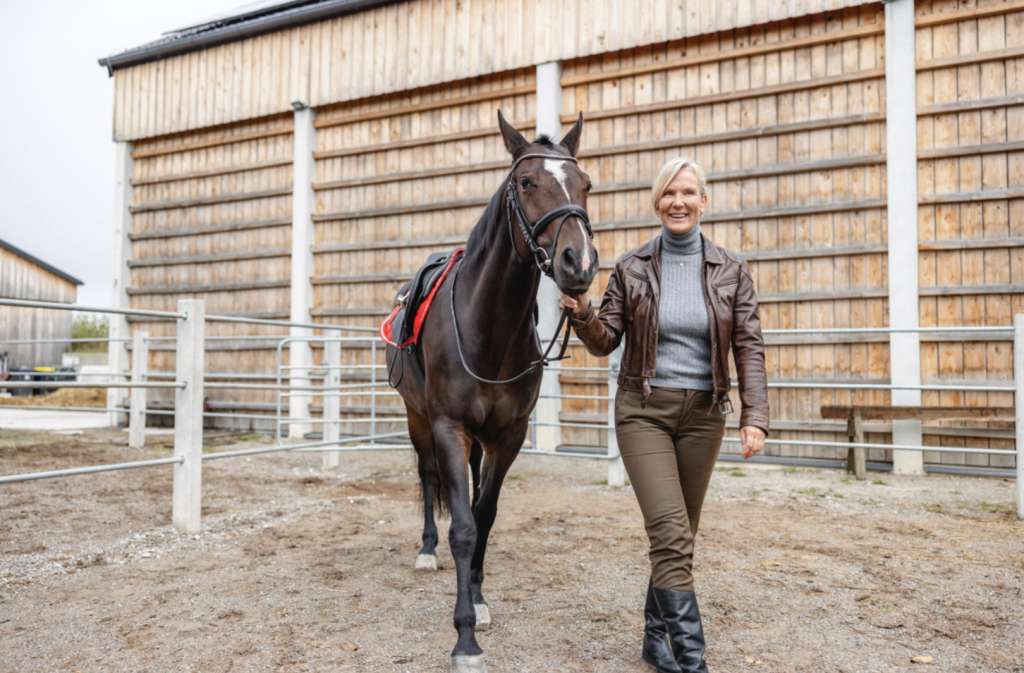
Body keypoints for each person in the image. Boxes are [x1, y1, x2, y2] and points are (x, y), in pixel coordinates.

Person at [560, 157, 769, 673]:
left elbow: (749, 346)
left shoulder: (731, 269)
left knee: (680, 536)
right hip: (644, 412)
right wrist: (585, 314)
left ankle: (656, 639)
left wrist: (755, 414)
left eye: (689, 193)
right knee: (672, 533)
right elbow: (606, 341)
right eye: (669, 194)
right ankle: (692, 661)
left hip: (704, 416)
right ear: (657, 203)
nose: (679, 202)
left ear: (704, 202)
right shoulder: (632, 268)